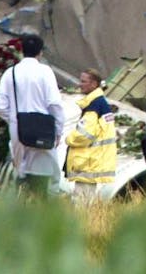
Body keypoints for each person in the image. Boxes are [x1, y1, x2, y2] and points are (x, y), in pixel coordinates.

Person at [0, 33, 65, 197]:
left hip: (18, 130)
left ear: (21, 51)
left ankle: (20, 206)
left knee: (21, 172)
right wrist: (58, 130)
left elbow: (0, 107)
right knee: (42, 175)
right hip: (42, 129)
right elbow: (55, 104)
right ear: (40, 52)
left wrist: (14, 118)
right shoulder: (45, 72)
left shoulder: (10, 73)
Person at [64, 69, 116, 201]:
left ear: (94, 84)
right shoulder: (101, 103)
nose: (80, 84)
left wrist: (68, 139)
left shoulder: (94, 106)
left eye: (83, 81)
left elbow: (84, 135)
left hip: (87, 162)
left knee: (81, 204)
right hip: (93, 161)